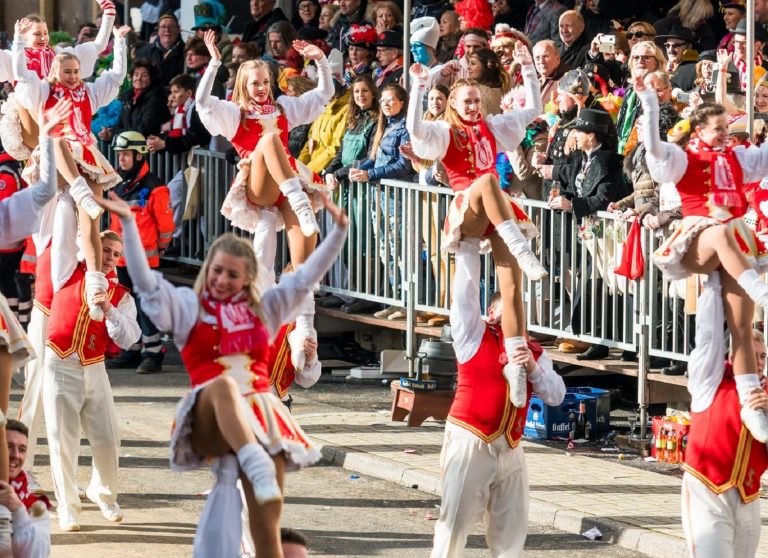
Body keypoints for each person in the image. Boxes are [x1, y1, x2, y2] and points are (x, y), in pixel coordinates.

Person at [96, 190, 348, 557]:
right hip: (212, 414)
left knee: (266, 525)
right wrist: (130, 228)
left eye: (233, 274)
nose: (223, 280)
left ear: (247, 279)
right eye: (217, 270)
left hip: (261, 413)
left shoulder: (265, 310)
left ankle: (255, 478)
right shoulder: (189, 308)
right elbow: (148, 284)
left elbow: (303, 279)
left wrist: (337, 234)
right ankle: (251, 457)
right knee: (222, 388)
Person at [407, 41, 546, 409]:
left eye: (476, 101)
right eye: (465, 101)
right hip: (466, 207)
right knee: (486, 181)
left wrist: (527, 68)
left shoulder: (493, 125)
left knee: (511, 287)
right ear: (453, 104)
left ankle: (515, 362)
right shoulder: (444, 131)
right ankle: (521, 247)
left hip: (495, 213)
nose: (472, 107)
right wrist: (419, 87)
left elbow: (534, 109)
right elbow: (416, 132)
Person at [638, 74, 768, 443]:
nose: (726, 134)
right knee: (721, 230)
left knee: (741, 326)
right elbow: (654, 150)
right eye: (718, 129)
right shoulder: (684, 157)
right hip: (699, 240)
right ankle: (761, 291)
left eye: (727, 127)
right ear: (698, 128)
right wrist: (649, 102)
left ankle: (751, 402)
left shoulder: (738, 157)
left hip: (734, 248)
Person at [197, 30, 334, 367]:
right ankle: (299, 203)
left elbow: (323, 96)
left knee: (305, 242)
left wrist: (321, 61)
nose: (261, 88)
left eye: (265, 82)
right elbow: (202, 103)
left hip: (286, 181)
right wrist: (214, 63)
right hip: (260, 187)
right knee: (270, 141)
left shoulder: (285, 106)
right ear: (244, 86)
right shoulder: (235, 113)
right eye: (254, 83)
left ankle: (305, 329)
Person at [430, 240, 565, 557]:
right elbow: (463, 295)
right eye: (508, 309)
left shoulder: (535, 352)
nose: (516, 318)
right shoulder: (474, 334)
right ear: (491, 312)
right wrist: (468, 248)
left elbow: (556, 395)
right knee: (454, 526)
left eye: (520, 311)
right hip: (471, 439)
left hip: (512, 448)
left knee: (511, 536)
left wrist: (531, 368)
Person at [12, 21, 130, 325]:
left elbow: (116, 77)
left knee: (91, 220)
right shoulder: (44, 91)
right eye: (67, 72)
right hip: (55, 159)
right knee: (58, 139)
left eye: (77, 72)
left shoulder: (88, 93)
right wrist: (16, 40)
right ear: (54, 73)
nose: (74, 77)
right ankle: (79, 190)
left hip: (86, 154)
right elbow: (22, 74)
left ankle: (94, 285)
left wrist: (118, 43)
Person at [44, 190, 141, 531]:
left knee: (107, 436)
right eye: (105, 250)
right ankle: (67, 506)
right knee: (62, 438)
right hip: (59, 361)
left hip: (94, 366)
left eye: (116, 253)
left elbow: (130, 338)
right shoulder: (68, 272)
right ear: (92, 248)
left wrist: (111, 309)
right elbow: (65, 239)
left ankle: (103, 492)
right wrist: (76, 196)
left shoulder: (121, 296)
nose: (111, 257)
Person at [680, 274, 768, 558]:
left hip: (748, 497)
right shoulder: (711, 380)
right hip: (707, 489)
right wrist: (715, 285)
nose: (758, 361)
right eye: (752, 354)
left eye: (763, 356)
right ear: (734, 355)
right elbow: (707, 336)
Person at [0, 3, 116, 161]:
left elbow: (98, 46)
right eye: (37, 34)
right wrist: (17, 41)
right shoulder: (13, 56)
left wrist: (109, 14)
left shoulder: (59, 55)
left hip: (59, 111)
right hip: (32, 114)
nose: (43, 38)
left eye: (45, 33)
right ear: (24, 36)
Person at [107, 131, 174, 374]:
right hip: (121, 258)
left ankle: (153, 354)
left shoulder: (155, 187)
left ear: (139, 155)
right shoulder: (119, 184)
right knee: (127, 305)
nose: (121, 159)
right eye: (119, 155)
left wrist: (162, 246)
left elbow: (166, 226)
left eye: (125, 154)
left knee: (146, 306)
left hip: (145, 261)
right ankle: (132, 350)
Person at [1, 420, 52, 557]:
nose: (15, 455)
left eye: (22, 449)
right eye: (8, 446)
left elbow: (37, 554)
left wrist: (18, 510)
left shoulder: (36, 507)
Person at [100, 58, 171, 140]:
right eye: (136, 74)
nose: (139, 78)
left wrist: (114, 134)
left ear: (152, 78)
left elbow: (144, 130)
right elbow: (121, 123)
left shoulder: (156, 100)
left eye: (144, 75)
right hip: (130, 148)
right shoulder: (128, 98)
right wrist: (110, 131)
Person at [135, 14, 185, 87]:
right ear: (158, 30)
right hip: (150, 96)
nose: (167, 30)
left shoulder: (187, 52)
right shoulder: (143, 53)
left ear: (178, 29)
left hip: (178, 96)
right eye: (163, 27)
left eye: (172, 26)